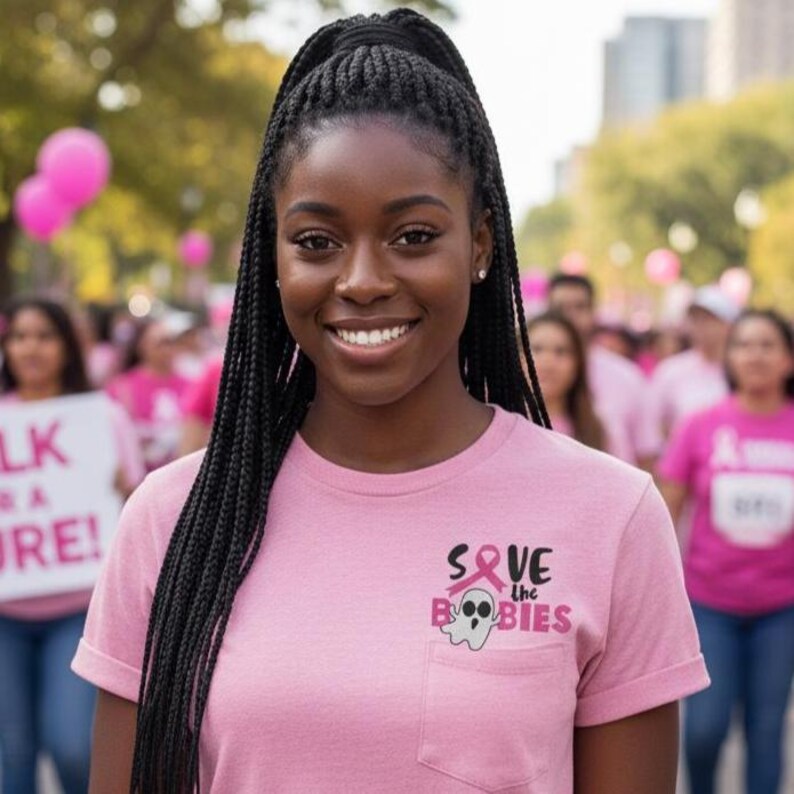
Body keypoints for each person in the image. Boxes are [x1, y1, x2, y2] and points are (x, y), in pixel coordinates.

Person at [72, 11, 708, 793]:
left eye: (412, 236)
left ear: (478, 245)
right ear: (271, 256)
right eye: (316, 241)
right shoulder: (173, 523)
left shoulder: (611, 517)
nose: (363, 280)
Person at [0, 297, 145, 794]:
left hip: (79, 615)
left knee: (71, 746)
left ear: (66, 346)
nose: (30, 347)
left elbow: (136, 505)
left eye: (43, 335)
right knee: (11, 757)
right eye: (19, 336)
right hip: (5, 618)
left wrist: (126, 488)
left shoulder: (102, 419)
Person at [658, 309, 794, 794]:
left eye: (767, 345)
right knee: (703, 730)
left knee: (766, 731)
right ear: (729, 358)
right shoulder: (700, 426)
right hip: (709, 605)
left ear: (787, 359)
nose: (754, 355)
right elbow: (663, 513)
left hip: (782, 611)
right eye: (744, 345)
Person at [547, 272, 655, 468]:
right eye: (561, 308)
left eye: (579, 307)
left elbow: (646, 455)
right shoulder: (531, 378)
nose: (570, 316)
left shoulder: (627, 376)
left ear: (594, 312)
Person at [644, 285, 740, 461]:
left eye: (709, 319)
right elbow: (653, 424)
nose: (701, 326)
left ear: (729, 325)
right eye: (695, 319)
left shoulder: (744, 370)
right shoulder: (670, 370)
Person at [106, 317, 194, 473]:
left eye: (171, 342)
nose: (167, 349)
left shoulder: (192, 384)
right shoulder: (121, 388)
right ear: (141, 346)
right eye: (161, 343)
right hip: (141, 483)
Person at [526, 311, 613, 454]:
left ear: (578, 363)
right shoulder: (494, 424)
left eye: (561, 352)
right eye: (536, 349)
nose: (548, 362)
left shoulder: (597, 430)